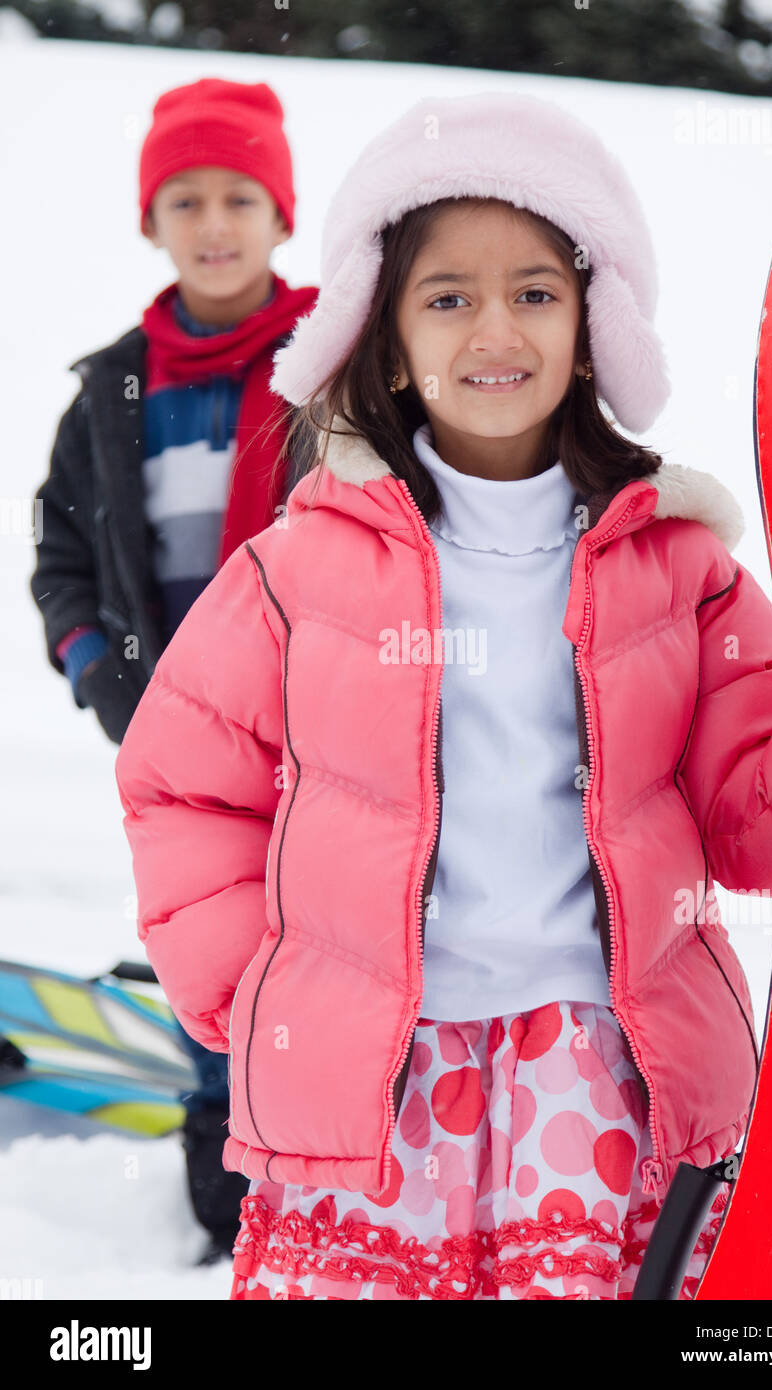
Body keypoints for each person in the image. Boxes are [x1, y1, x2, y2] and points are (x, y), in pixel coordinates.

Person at [114, 91, 772, 1300]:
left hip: (597, 1069)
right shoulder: (299, 566)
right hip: (375, 1081)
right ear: (384, 334)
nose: (495, 328)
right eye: (448, 296)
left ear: (590, 326)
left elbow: (760, 819)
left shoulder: (675, 564)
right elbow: (181, 778)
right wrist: (246, 989)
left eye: (534, 291)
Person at [29, 76, 318, 1263]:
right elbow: (60, 556)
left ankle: (331, 1121)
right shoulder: (112, 392)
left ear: (280, 218)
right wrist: (95, 663)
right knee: (208, 923)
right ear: (152, 222)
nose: (213, 224)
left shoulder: (331, 365)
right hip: (172, 729)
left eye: (238, 197)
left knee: (326, 921)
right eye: (186, 199)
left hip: (316, 719)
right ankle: (222, 1118)